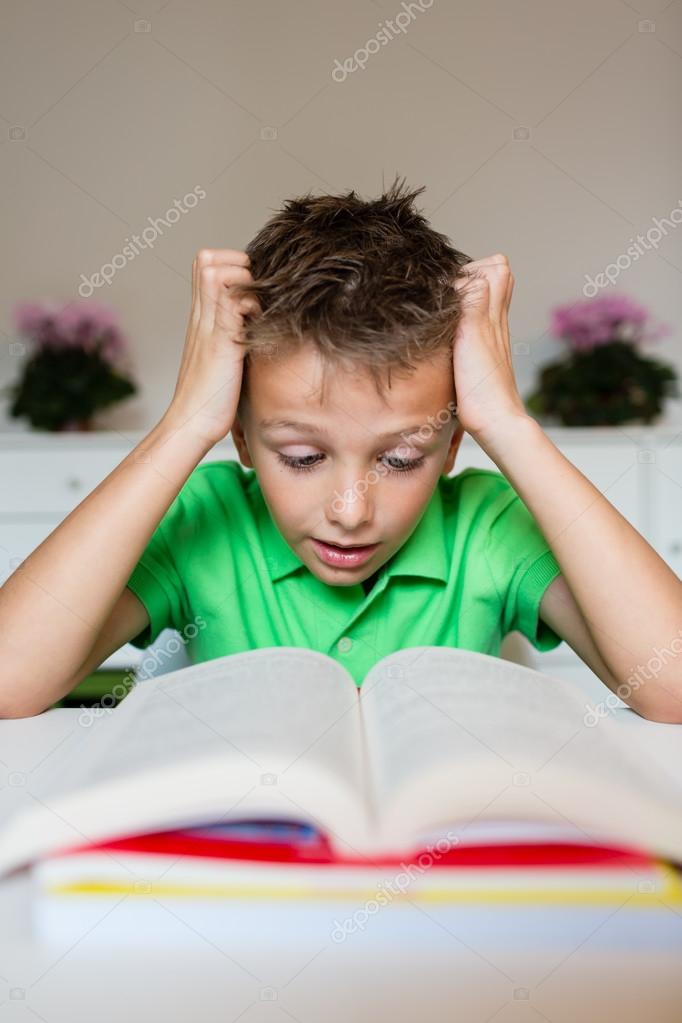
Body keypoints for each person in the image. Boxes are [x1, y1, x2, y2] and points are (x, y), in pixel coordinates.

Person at [1, 178, 681, 721]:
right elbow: (8, 682)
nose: (350, 511)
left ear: (452, 443)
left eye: (400, 458)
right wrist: (184, 424)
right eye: (301, 457)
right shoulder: (205, 520)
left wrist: (508, 423)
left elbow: (673, 688)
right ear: (240, 433)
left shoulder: (489, 527)